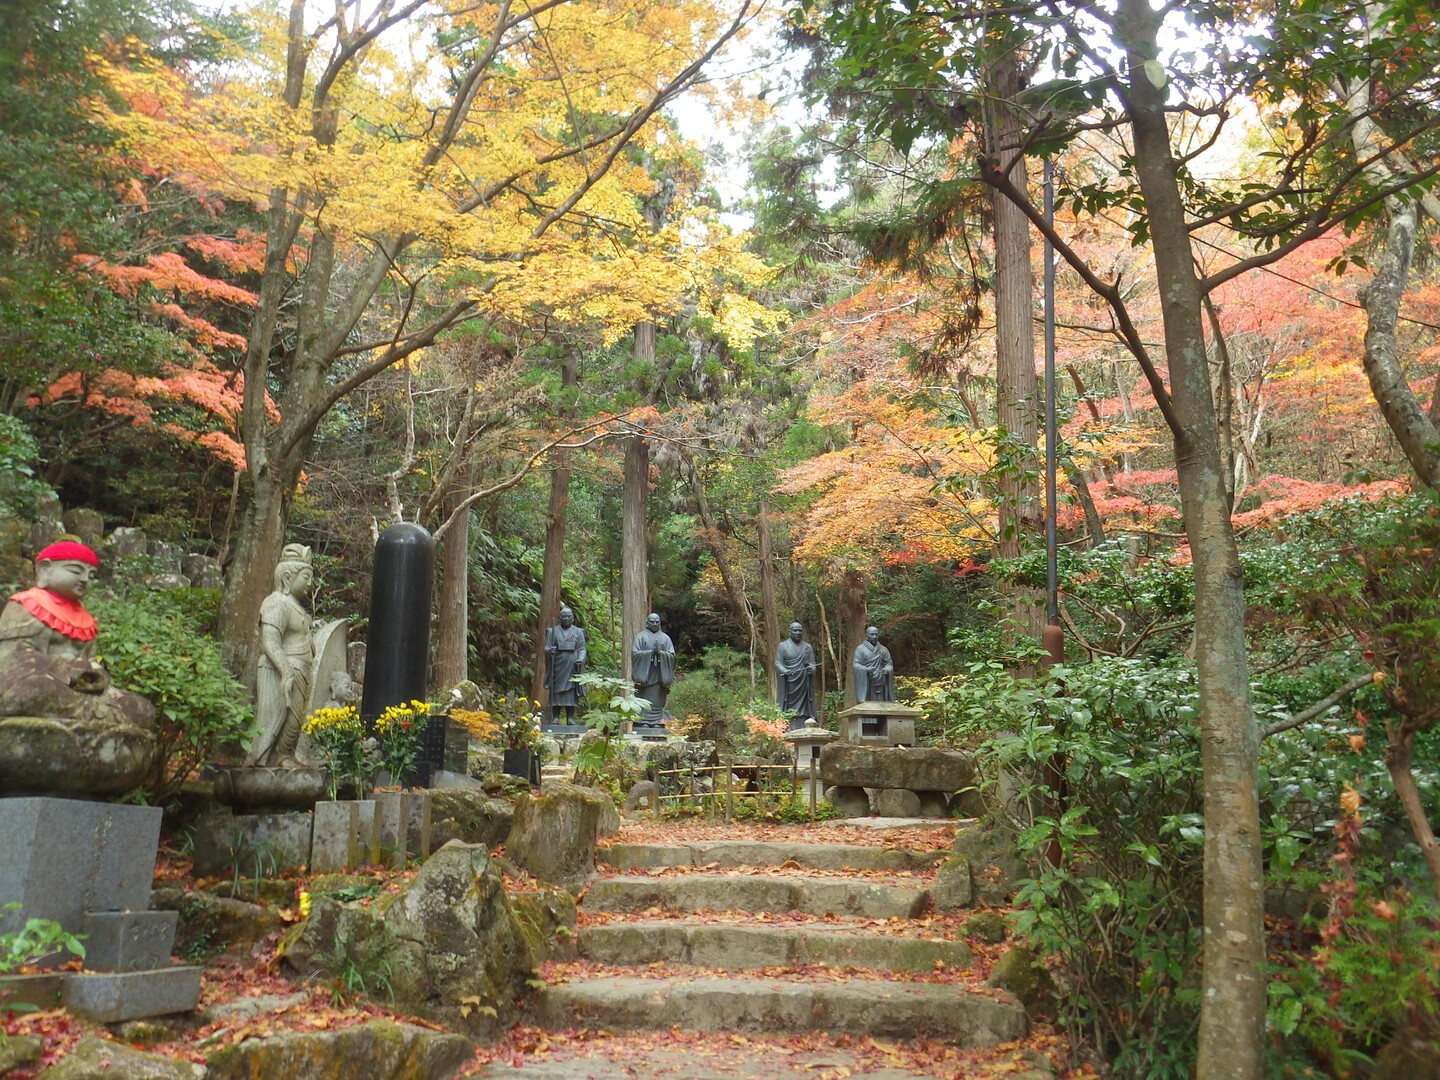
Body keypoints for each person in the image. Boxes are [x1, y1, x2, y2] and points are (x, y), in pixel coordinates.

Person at [246, 544, 314, 768]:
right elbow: (270, 641)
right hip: (280, 670)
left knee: (294, 722)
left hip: (301, 671)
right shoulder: (277, 602)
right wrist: (285, 670)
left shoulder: (297, 608)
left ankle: (282, 756)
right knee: (274, 718)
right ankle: (261, 760)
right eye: (306, 577)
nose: (310, 584)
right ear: (287, 577)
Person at [543, 606, 587, 723]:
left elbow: (582, 649)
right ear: (559, 618)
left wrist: (580, 658)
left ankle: (570, 717)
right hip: (557, 664)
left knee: (571, 690)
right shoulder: (552, 632)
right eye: (564, 616)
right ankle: (555, 717)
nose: (566, 618)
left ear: (573, 618)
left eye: (569, 616)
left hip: (572, 664)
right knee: (556, 690)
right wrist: (550, 650)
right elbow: (546, 647)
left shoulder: (578, 632)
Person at [630, 612, 675, 723]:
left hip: (659, 675)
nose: (654, 624)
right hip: (645, 675)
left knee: (657, 699)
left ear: (660, 623)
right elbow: (635, 654)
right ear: (647, 623)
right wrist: (650, 653)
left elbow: (672, 655)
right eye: (652, 622)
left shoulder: (665, 638)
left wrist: (661, 654)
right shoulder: (640, 637)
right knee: (643, 701)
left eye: (657, 622)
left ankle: (657, 721)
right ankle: (642, 721)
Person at [774, 622, 817, 726]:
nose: (798, 633)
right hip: (789, 682)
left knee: (804, 705)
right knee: (788, 705)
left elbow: (812, 664)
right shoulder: (783, 646)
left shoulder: (807, 647)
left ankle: (803, 721)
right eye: (795, 630)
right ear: (790, 632)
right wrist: (784, 670)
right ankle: (788, 723)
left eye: (800, 631)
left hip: (803, 681)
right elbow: (777, 662)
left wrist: (811, 669)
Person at [851, 625, 895, 703]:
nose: (874, 637)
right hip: (867, 683)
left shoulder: (884, 650)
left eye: (876, 634)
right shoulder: (860, 649)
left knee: (882, 704)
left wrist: (887, 669)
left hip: (881, 683)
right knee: (867, 705)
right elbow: (856, 665)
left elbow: (889, 664)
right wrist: (866, 669)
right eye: (872, 634)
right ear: (867, 636)